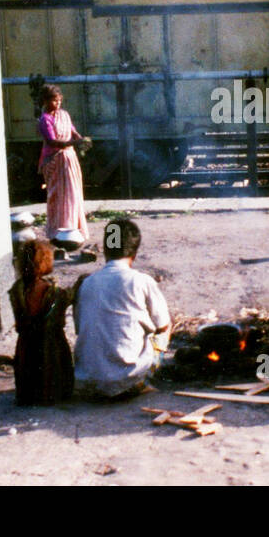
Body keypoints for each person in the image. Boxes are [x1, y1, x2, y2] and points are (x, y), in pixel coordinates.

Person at [71, 218, 170, 400]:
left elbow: (79, 328)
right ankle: (141, 380)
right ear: (134, 253)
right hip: (129, 383)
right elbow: (162, 326)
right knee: (162, 333)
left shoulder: (86, 283)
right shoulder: (142, 281)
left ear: (105, 251)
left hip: (88, 382)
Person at [37, 84, 89, 243]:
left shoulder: (64, 115)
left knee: (73, 194)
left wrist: (81, 139)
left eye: (59, 100)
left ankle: (74, 229)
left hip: (69, 159)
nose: (57, 103)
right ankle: (57, 232)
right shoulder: (44, 120)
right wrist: (74, 143)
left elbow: (73, 131)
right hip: (54, 160)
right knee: (58, 197)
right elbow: (52, 141)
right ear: (46, 101)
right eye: (54, 100)